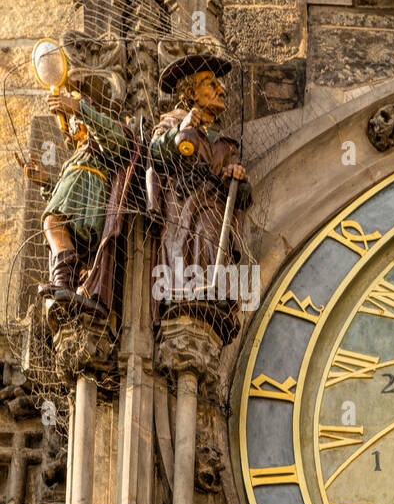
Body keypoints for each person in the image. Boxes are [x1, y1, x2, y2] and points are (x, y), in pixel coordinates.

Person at [147, 53, 251, 336]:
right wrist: (182, 128)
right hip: (182, 202)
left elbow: (242, 197)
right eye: (210, 83)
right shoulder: (171, 122)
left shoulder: (226, 140)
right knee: (189, 240)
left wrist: (238, 179)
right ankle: (183, 292)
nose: (221, 89)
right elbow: (154, 157)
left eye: (219, 83)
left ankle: (213, 294)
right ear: (190, 92)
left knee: (211, 236)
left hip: (214, 203)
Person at [17, 90, 134, 324]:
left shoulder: (99, 142)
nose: (70, 124)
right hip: (75, 197)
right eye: (69, 120)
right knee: (53, 224)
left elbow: (118, 141)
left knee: (52, 222)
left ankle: (65, 278)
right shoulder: (75, 155)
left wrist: (80, 108)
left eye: (72, 118)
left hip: (88, 199)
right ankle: (70, 277)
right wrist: (44, 182)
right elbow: (59, 195)